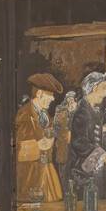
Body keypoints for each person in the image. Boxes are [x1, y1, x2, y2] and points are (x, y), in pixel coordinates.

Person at [67, 70, 106, 192]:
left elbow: (94, 134)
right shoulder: (82, 113)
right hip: (83, 171)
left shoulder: (93, 110)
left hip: (93, 169)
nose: (105, 94)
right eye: (103, 88)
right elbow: (79, 142)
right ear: (93, 88)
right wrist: (105, 157)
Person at [14, 73, 64, 203]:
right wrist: (38, 145)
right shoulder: (24, 114)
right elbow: (18, 148)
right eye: (50, 95)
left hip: (47, 172)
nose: (53, 99)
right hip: (31, 176)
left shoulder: (44, 114)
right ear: (40, 94)